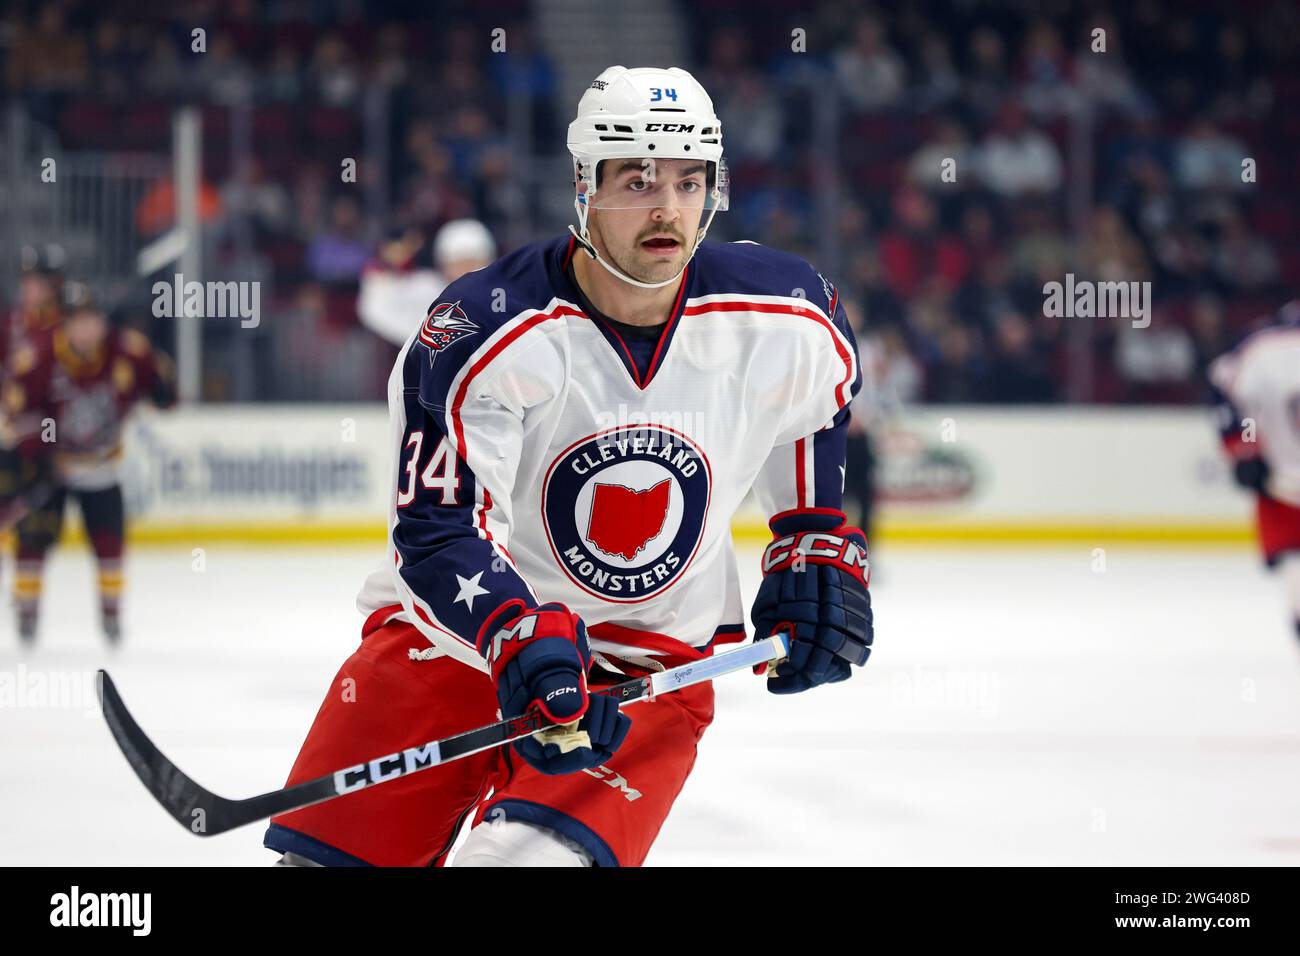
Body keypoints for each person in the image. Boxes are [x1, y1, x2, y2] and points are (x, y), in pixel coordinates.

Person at [266, 66, 874, 868]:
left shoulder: (784, 313)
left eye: (690, 182)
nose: (668, 209)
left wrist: (811, 535)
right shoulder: (481, 329)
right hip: (455, 646)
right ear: (583, 186)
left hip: (647, 670)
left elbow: (817, 397)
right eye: (637, 181)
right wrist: (516, 632)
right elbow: (437, 527)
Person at [3, 284, 177, 644]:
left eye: (92, 321)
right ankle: (28, 610)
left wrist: (163, 391)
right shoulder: (38, 358)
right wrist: (44, 453)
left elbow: (165, 392)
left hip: (102, 465)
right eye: (78, 322)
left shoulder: (127, 352)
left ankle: (111, 614)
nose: (86, 330)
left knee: (109, 538)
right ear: (64, 324)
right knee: (34, 536)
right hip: (53, 466)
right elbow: (16, 418)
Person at [1208, 301, 1300, 641]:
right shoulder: (1260, 346)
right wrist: (1245, 449)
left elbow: (1229, 403)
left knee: (1293, 566)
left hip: (1281, 482)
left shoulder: (1257, 345)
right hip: (1281, 485)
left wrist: (1245, 449)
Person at [357, 219, 497, 346]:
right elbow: (374, 309)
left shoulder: (501, 296)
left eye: (473, 261)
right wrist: (386, 265)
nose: (466, 269)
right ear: (443, 264)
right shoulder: (426, 287)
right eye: (458, 262)